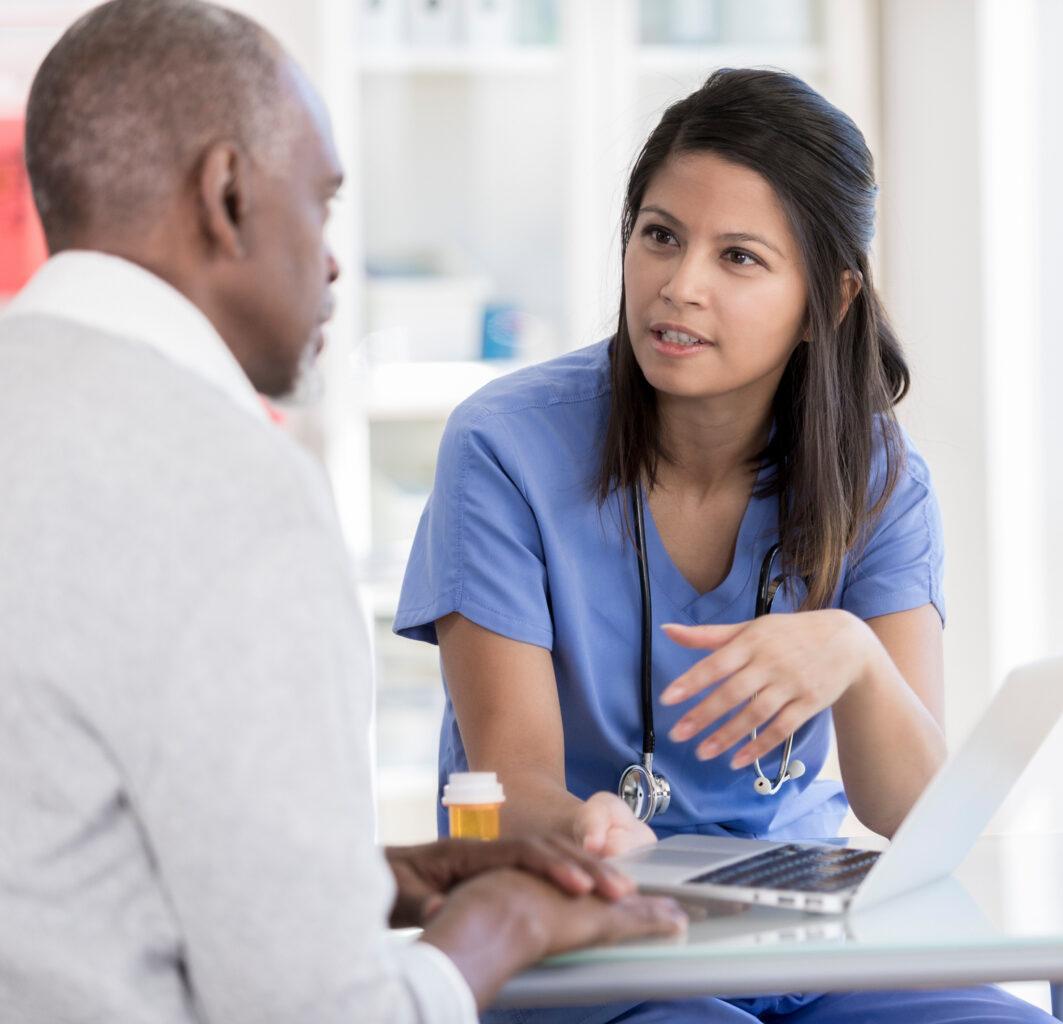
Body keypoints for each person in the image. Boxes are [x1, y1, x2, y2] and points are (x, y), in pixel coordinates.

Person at [0, 2, 684, 1022]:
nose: (330, 261)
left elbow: (52, 860)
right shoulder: (232, 488)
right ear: (227, 193)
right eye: (321, 203)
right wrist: (504, 928)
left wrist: (352, 877)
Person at [395, 68, 1055, 1023]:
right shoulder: (504, 446)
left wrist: (860, 664)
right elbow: (504, 782)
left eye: (738, 257)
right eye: (660, 236)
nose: (679, 285)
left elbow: (916, 816)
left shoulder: (879, 478)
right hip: (589, 923)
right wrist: (582, 827)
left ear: (827, 302)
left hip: (806, 935)